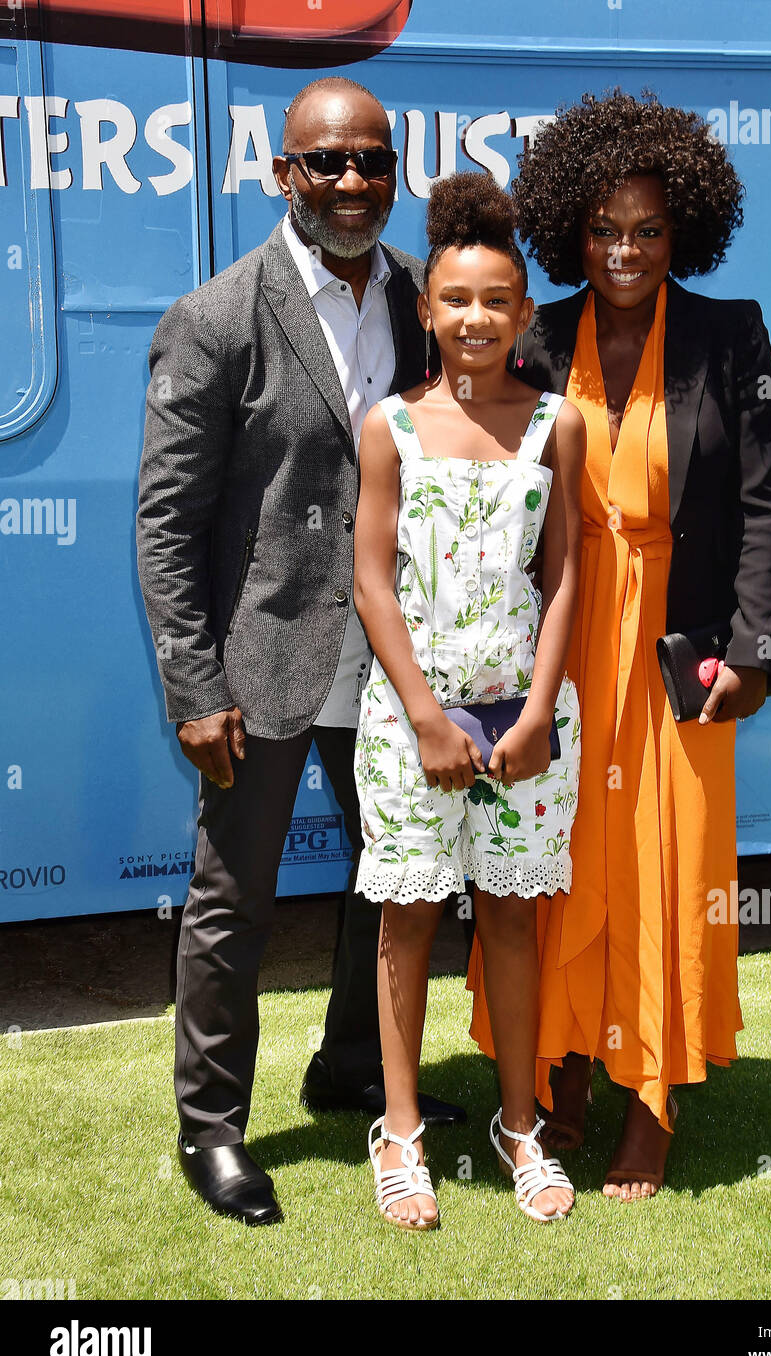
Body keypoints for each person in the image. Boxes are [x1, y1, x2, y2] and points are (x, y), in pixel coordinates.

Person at [467, 90, 771, 1200]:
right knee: (561, 862)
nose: (624, 248)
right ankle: (563, 1070)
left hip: (682, 647)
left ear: (685, 231)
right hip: (558, 637)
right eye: (605, 227)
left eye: (649, 228)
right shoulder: (537, 336)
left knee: (672, 864)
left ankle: (651, 1095)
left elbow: (760, 504)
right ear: (573, 227)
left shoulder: (728, 333)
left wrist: (752, 650)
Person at [136, 76, 463, 1228]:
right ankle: (212, 1130)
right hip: (262, 662)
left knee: (397, 879)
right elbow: (168, 520)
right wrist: (195, 683)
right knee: (234, 903)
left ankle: (351, 1069)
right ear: (284, 175)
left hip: (391, 661)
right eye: (327, 163)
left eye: (373, 161)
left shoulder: (428, 299)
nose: (354, 182)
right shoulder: (218, 317)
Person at [352, 171, 586, 1229]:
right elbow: (369, 578)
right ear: (425, 308)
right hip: (416, 723)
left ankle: (518, 1126)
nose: (476, 318)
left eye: (497, 300)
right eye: (456, 299)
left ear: (525, 312)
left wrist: (536, 711)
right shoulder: (387, 427)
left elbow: (568, 570)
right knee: (405, 921)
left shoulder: (557, 425)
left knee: (512, 921)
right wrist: (427, 715)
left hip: (524, 723)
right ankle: (400, 1132)